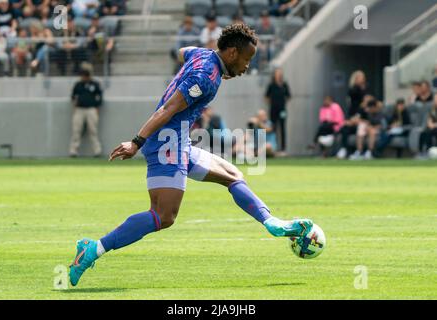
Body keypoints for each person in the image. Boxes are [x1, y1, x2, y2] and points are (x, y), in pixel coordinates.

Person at [67, 24, 314, 286]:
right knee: (163, 216)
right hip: (167, 143)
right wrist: (136, 142)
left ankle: (272, 222)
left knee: (232, 175)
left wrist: (202, 66)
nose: (247, 66)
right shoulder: (205, 77)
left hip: (179, 142)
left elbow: (182, 52)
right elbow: (168, 109)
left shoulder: (203, 56)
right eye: (246, 59)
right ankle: (92, 249)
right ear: (231, 53)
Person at [69, 67, 103, 157]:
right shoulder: (78, 84)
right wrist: (75, 104)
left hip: (91, 109)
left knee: (93, 130)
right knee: (76, 130)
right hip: (80, 109)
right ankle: (73, 151)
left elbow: (99, 96)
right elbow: (73, 95)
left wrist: (97, 106)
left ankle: (97, 150)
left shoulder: (95, 84)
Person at [336, 70, 368, 159]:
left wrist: (357, 118)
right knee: (344, 128)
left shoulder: (364, 91)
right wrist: (351, 119)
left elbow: (364, 108)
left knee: (357, 128)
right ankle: (344, 149)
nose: (363, 79)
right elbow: (352, 107)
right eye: (361, 77)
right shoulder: (353, 90)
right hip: (353, 117)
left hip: (362, 120)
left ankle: (360, 152)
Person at [265, 68, 291, 152]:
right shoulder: (271, 85)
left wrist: (282, 102)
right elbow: (266, 96)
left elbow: (288, 96)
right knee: (273, 128)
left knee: (282, 128)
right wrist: (273, 102)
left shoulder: (284, 84)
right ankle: (274, 147)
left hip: (282, 110)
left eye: (280, 73)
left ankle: (283, 149)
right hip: (273, 109)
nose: (278, 75)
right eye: (277, 73)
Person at [417, 93, 437, 158]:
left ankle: (430, 151)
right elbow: (429, 119)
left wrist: (434, 125)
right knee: (423, 132)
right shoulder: (432, 109)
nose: (435, 100)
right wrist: (430, 124)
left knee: (432, 131)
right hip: (432, 127)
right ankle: (421, 152)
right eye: (435, 99)